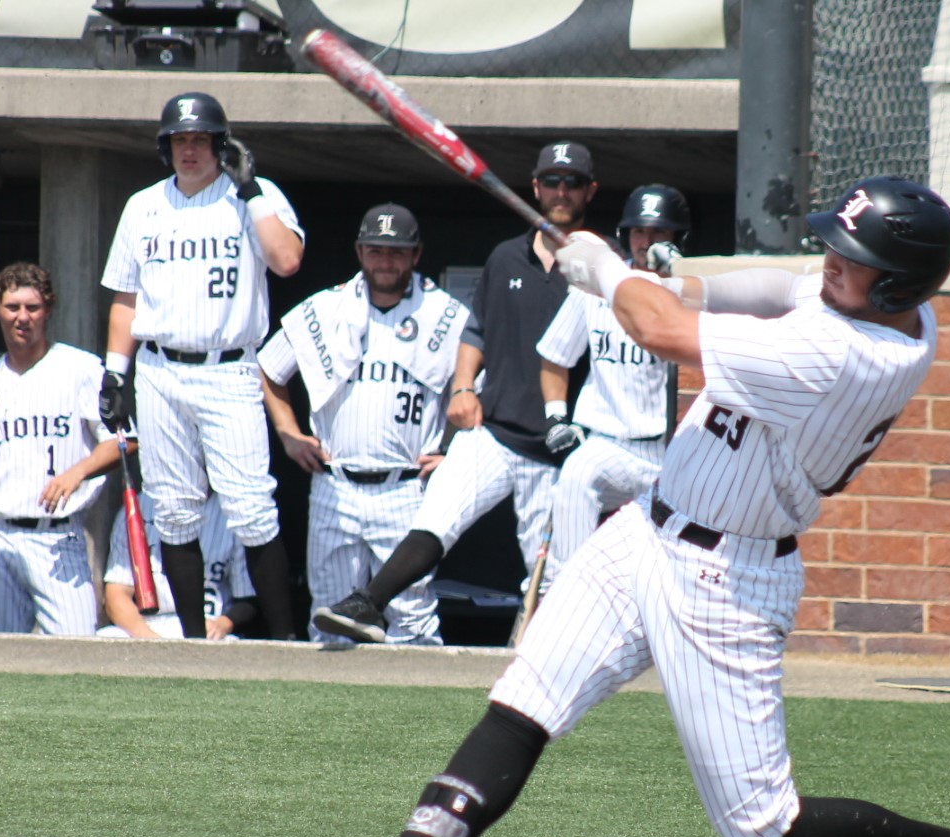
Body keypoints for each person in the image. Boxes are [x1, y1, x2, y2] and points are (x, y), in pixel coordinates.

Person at [337, 177, 950, 837]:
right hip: (646, 528)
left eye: (852, 259)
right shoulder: (876, 301)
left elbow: (663, 332)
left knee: (760, 823)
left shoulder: (843, 351)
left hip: (728, 579)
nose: (830, 264)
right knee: (524, 698)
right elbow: (781, 283)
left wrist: (610, 271)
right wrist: (673, 276)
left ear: (898, 283)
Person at [313, 142, 597, 643]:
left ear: (589, 191)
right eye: (551, 180)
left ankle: (554, 661)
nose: (560, 191)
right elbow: (477, 332)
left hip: (559, 450)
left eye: (572, 182)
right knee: (435, 518)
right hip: (494, 429)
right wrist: (464, 386)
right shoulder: (506, 256)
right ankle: (369, 604)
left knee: (550, 576)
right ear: (534, 187)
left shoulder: (601, 265)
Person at [98, 92, 302, 641]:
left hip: (229, 369)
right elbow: (126, 297)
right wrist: (116, 372)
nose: (190, 150)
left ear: (221, 143)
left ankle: (285, 645)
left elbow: (287, 261)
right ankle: (192, 646)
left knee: (253, 510)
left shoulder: (253, 197)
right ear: (166, 147)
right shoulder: (143, 205)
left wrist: (253, 188)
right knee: (175, 512)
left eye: (201, 139)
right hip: (160, 369)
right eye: (180, 140)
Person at [260, 203, 469, 645]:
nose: (385, 261)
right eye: (376, 250)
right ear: (359, 252)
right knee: (331, 623)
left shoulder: (446, 315)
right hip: (336, 485)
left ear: (416, 255)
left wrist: (453, 449)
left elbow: (477, 390)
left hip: (405, 487)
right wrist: (288, 434)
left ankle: (419, 716)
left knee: (413, 624)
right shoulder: (325, 308)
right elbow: (267, 369)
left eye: (397, 252)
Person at [535, 183, 690, 581]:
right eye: (639, 232)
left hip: (671, 454)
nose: (647, 241)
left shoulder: (692, 295)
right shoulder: (596, 288)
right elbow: (554, 356)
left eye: (658, 233)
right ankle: (561, 590)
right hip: (609, 444)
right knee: (576, 474)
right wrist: (556, 418)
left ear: (677, 239)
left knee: (661, 570)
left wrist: (683, 277)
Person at [0, 262, 121, 636]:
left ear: (48, 310)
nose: (22, 317)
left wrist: (77, 472)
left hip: (58, 538)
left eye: (33, 308)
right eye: (12, 308)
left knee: (77, 653)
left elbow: (124, 439)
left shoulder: (82, 368)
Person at [98, 491, 254, 640]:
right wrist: (149, 640)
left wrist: (223, 624)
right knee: (105, 638)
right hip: (149, 625)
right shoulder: (138, 506)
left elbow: (249, 599)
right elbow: (116, 595)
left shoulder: (231, 512)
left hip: (209, 625)